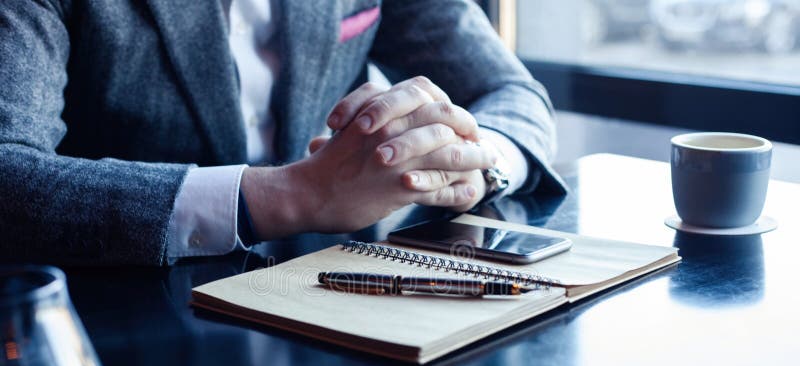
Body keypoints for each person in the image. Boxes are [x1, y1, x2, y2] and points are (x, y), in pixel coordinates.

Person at [0, 0, 566, 266]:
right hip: (106, 329)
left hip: (326, 320)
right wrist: (298, 195)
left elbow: (513, 95)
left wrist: (470, 161)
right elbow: (8, 174)